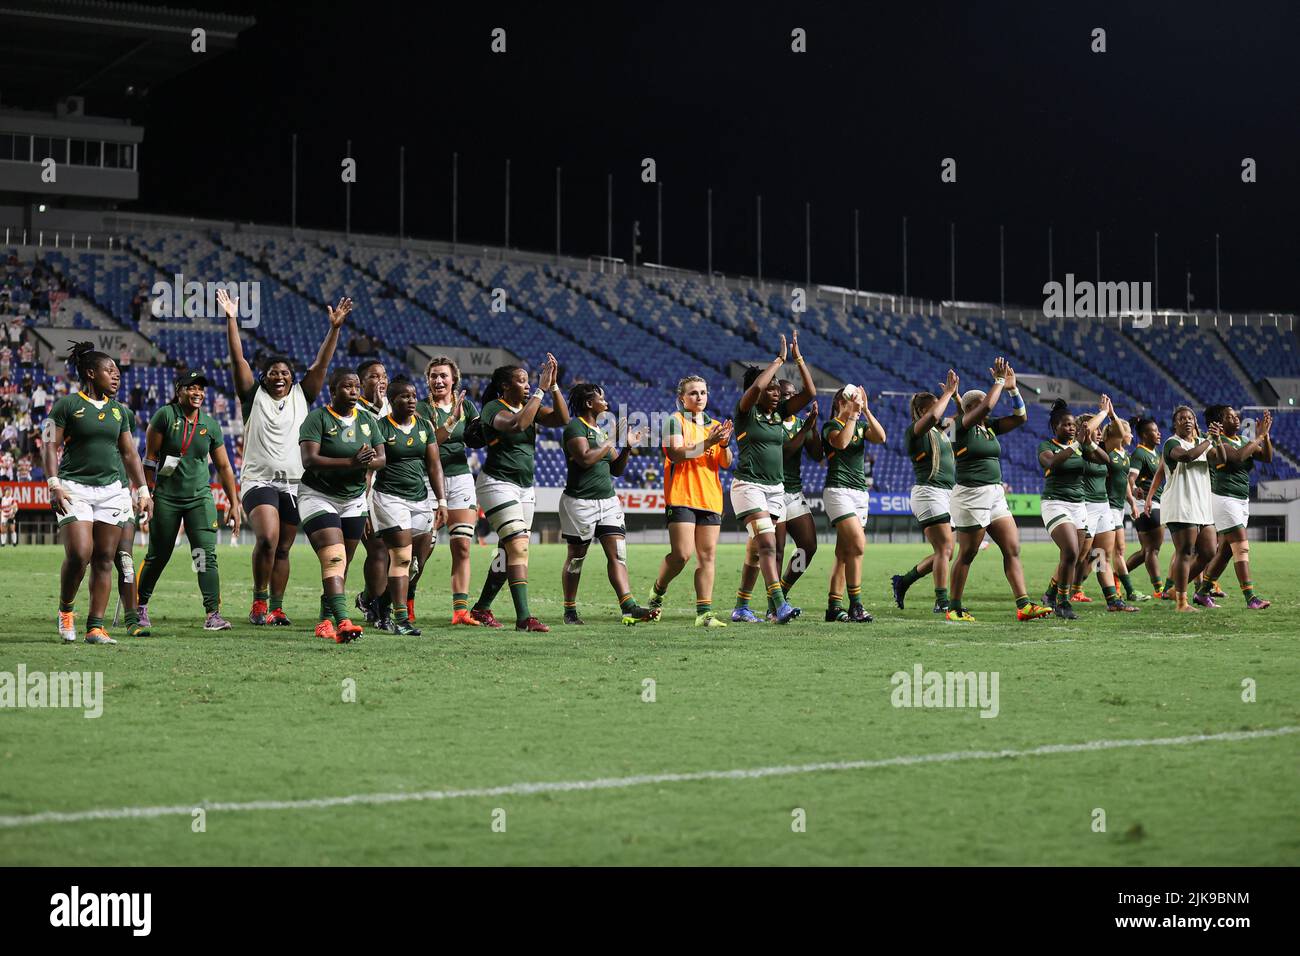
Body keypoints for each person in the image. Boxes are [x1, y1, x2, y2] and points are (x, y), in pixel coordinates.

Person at [221, 288, 351, 626]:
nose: (279, 377)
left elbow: (322, 363)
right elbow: (239, 361)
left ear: (292, 377)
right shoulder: (252, 396)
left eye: (285, 373)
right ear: (264, 377)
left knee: (283, 549)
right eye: (273, 373)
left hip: (298, 484)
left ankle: (277, 607)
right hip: (259, 480)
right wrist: (232, 319)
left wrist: (334, 328)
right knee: (267, 538)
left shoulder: (302, 394)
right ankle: (259, 602)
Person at [43, 341, 152, 644]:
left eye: (117, 372)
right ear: (91, 373)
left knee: (105, 558)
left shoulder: (120, 412)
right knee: (80, 554)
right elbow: (49, 444)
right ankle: (66, 611)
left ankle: (95, 627)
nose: (116, 376)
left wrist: (142, 489)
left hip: (112, 492)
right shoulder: (66, 406)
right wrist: (54, 483)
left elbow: (130, 454)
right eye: (110, 370)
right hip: (74, 488)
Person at [946, 359, 1052, 622]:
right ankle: (954, 607)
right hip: (971, 495)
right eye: (978, 403)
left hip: (994, 494)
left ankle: (1024, 605)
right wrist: (998, 382)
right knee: (968, 554)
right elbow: (988, 404)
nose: (985, 405)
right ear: (970, 408)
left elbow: (1021, 417)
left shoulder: (988, 428)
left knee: (1012, 547)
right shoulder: (959, 425)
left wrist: (1013, 390)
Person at [469, 355, 568, 631]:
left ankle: (480, 608)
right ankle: (524, 618)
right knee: (519, 546)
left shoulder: (530, 406)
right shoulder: (492, 408)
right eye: (521, 381)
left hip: (525, 488)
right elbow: (516, 425)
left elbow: (562, 418)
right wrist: (540, 390)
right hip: (496, 484)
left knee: (508, 551)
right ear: (504, 386)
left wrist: (555, 386)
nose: (527, 385)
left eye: (528, 381)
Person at [135, 371, 241, 630]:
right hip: (167, 499)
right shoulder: (165, 416)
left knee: (205, 555)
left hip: (199, 499)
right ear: (178, 390)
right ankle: (138, 607)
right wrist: (146, 494)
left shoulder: (210, 425)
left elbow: (225, 467)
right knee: (158, 555)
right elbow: (149, 459)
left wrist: (234, 503)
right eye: (191, 388)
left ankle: (212, 614)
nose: (197, 393)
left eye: (201, 389)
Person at [728, 331, 817, 625]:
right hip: (748, 486)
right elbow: (755, 387)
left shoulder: (778, 415)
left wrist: (798, 358)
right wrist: (778, 360)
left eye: (780, 389)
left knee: (756, 550)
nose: (777, 392)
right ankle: (779, 605)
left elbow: (810, 395)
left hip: (775, 489)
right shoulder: (745, 412)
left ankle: (741, 607)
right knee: (768, 545)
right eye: (772, 389)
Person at [298, 368, 386, 642]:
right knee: (334, 556)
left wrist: (368, 460)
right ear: (332, 391)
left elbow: (382, 458)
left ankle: (324, 621)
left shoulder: (368, 422)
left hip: (353, 499)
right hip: (317, 495)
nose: (354, 392)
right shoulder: (317, 419)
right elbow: (309, 460)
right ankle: (343, 621)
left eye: (357, 387)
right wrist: (351, 462)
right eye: (347, 387)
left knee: (341, 563)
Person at [559, 382, 657, 625]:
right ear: (589, 403)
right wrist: (612, 439)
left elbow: (617, 469)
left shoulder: (601, 432)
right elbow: (584, 459)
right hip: (579, 503)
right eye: (601, 398)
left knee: (618, 554)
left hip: (608, 501)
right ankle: (570, 610)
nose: (607, 402)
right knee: (576, 558)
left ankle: (629, 606)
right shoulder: (575, 427)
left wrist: (625, 447)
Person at [647, 375, 734, 627]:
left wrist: (725, 445)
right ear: (682, 398)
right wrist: (709, 442)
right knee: (682, 554)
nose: (699, 397)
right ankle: (658, 591)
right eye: (693, 393)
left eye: (703, 392)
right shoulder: (674, 422)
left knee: (707, 557)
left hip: (710, 498)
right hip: (682, 495)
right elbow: (675, 454)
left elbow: (726, 463)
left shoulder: (715, 425)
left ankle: (704, 614)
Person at [372, 376, 448, 635]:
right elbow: (372, 466)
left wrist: (442, 501)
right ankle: (401, 620)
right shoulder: (380, 427)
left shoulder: (424, 426)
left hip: (420, 498)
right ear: (392, 401)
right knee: (402, 558)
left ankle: (382, 603)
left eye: (414, 395)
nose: (412, 400)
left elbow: (434, 465)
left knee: (418, 561)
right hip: (390, 498)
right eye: (405, 396)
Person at [415, 355, 480, 626]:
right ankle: (404, 601)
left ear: (455, 379)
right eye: (434, 376)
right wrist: (452, 420)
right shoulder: (420, 407)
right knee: (422, 549)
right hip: (430, 480)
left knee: (462, 546)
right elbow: (429, 443)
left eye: (444, 375)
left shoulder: (468, 406)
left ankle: (460, 611)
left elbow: (479, 435)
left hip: (461, 478)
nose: (439, 380)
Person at [892, 370, 960, 614]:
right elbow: (934, 416)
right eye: (937, 408)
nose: (941, 413)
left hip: (946, 494)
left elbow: (964, 418)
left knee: (947, 552)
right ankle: (942, 602)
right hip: (929, 493)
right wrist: (948, 393)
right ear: (922, 412)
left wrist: (957, 397)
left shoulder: (941, 432)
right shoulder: (916, 430)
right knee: (944, 550)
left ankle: (904, 581)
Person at [820, 382, 887, 622]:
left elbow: (881, 437)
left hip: (860, 493)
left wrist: (866, 410)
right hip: (838, 491)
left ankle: (833, 606)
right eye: (852, 402)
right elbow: (842, 443)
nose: (856, 407)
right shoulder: (831, 425)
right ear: (841, 403)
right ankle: (856, 605)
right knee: (858, 545)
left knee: (844, 553)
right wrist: (851, 416)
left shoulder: (859, 423)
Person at [1199, 406, 1272, 609]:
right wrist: (1258, 437)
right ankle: (1251, 598)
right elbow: (1238, 457)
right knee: (1241, 546)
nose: (1236, 418)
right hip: (1224, 499)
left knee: (1225, 552)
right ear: (1221, 423)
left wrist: (1264, 438)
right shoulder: (1218, 442)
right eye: (1230, 416)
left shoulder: (1241, 440)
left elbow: (1267, 457)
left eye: (1235, 415)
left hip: (1241, 500)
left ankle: (1202, 593)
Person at [1157, 405, 1218, 612]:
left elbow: (1221, 461)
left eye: (1190, 417)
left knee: (1209, 551)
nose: (1187, 420)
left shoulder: (1202, 443)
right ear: (1175, 424)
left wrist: (1218, 441)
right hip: (1180, 505)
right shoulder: (1172, 443)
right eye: (1182, 418)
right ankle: (1182, 603)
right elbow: (1187, 457)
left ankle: (1176, 589)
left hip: (1201, 506)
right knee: (1185, 552)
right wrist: (1210, 440)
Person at [774, 379, 821, 617]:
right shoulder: (771, 422)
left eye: (791, 395)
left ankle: (784, 588)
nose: (788, 399)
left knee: (808, 547)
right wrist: (805, 429)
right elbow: (785, 452)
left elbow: (817, 455)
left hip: (794, 492)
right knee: (778, 550)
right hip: (773, 492)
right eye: (783, 395)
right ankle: (775, 603)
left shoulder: (802, 423)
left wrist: (812, 428)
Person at [354, 358, 393, 627]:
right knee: (379, 550)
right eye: (373, 376)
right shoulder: (353, 409)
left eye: (383, 375)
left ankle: (368, 599)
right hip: (363, 492)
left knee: (393, 553)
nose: (380, 380)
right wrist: (363, 503)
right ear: (360, 384)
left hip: (391, 491)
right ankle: (377, 609)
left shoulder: (391, 406)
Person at [1102, 418, 1147, 602]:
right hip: (1107, 506)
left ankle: (1074, 586)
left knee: (1097, 554)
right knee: (1117, 549)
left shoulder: (1124, 456)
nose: (1131, 436)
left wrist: (1133, 503)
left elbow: (1125, 483)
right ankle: (1129, 590)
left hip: (1119, 507)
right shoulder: (1109, 451)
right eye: (1128, 432)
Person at [1127, 417, 1167, 597]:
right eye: (1154, 431)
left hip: (1153, 503)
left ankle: (1118, 574)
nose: (1159, 433)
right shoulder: (1140, 454)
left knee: (1146, 551)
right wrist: (1135, 490)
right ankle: (1159, 588)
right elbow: (1130, 479)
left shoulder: (1155, 453)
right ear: (1144, 435)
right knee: (1153, 549)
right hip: (1147, 505)